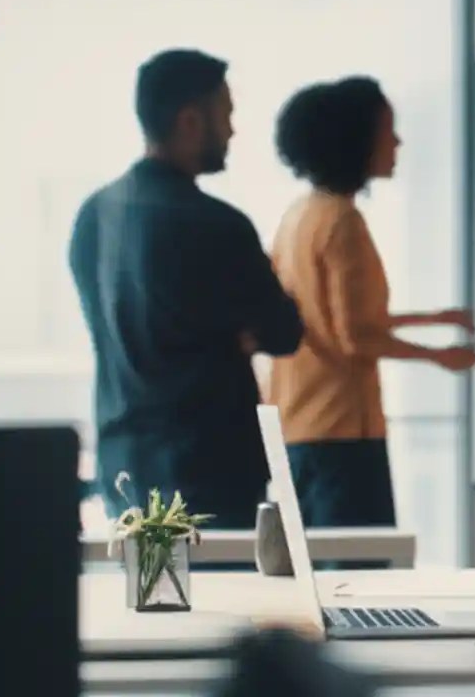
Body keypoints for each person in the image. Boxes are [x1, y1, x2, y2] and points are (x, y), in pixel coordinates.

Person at [69, 49, 303, 527]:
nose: (233, 130)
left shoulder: (93, 215)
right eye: (227, 115)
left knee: (145, 600)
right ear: (191, 120)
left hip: (124, 469)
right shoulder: (216, 225)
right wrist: (242, 334)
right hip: (211, 472)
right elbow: (284, 331)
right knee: (228, 601)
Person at [267, 77, 475, 531]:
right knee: (358, 574)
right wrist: (439, 356)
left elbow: (333, 318)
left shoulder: (300, 215)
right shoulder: (343, 220)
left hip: (298, 426)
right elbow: (356, 336)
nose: (397, 142)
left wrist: (436, 320)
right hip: (342, 430)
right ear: (356, 140)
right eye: (388, 130)